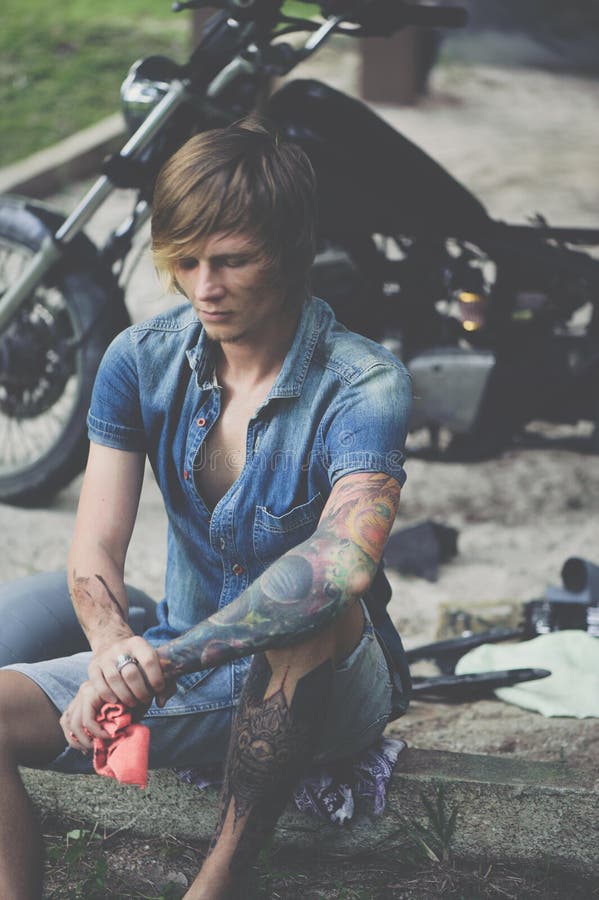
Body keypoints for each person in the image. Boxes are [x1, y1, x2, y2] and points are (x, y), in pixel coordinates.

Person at [0, 119, 412, 899]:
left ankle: (216, 884)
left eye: (232, 261)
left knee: (311, 602)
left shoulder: (363, 382)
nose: (203, 287)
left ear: (290, 251)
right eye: (184, 261)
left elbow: (343, 564)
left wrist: (166, 662)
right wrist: (113, 644)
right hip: (171, 657)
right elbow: (94, 545)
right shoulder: (140, 358)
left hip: (327, 685)